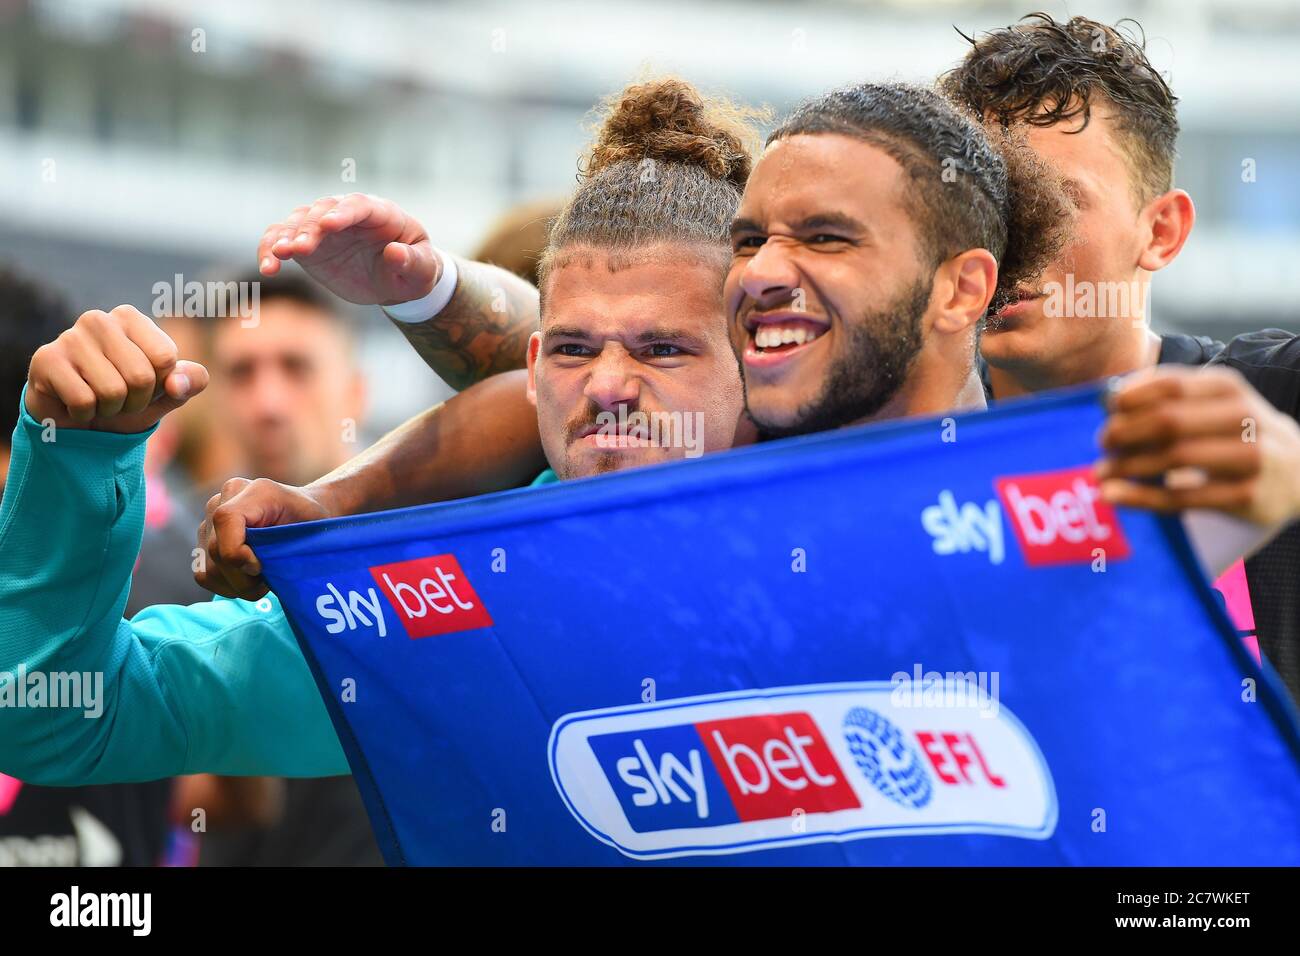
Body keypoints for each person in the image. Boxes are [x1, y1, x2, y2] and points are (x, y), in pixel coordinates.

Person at [0, 77, 758, 786]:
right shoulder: (447, 604)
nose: (608, 386)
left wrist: (435, 291)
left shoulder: (857, 524)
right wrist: (78, 462)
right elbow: (57, 722)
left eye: (665, 349)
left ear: (756, 355)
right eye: (573, 349)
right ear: (534, 366)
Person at [938, 12, 1300, 696]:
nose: (1016, 242)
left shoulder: (1279, 398)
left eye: (1060, 202)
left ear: (1161, 231)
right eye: (991, 202)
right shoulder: (900, 438)